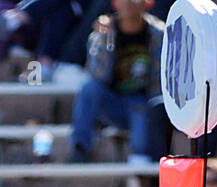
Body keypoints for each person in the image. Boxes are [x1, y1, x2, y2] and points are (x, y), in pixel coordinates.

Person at [68, 0, 168, 165]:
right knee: (89, 88)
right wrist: (105, 39)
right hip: (112, 102)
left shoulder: (160, 33)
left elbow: (161, 82)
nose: (130, 3)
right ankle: (80, 148)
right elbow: (97, 75)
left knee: (140, 111)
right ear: (115, 4)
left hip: (144, 103)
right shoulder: (103, 31)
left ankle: (139, 166)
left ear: (147, 3)